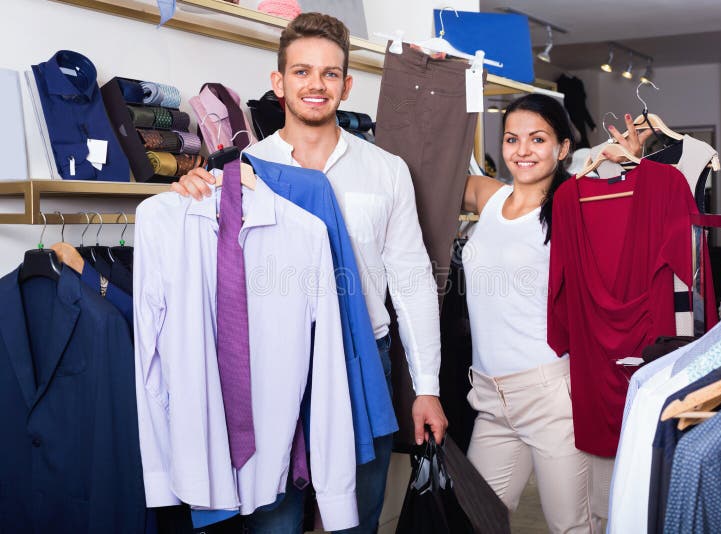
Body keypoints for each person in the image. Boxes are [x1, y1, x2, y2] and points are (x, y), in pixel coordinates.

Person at [170, 12, 447, 534]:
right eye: (301, 72)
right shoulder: (239, 168)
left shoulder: (386, 170)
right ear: (278, 83)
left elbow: (411, 283)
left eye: (328, 73)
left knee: (356, 518)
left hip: (364, 357)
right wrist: (189, 193)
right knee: (273, 518)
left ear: (347, 83)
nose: (315, 85)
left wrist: (426, 387)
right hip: (271, 363)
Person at [460, 96, 650, 531]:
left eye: (538, 139)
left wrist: (627, 168)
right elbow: (432, 168)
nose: (522, 150)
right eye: (512, 139)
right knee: (472, 519)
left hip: (550, 397)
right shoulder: (488, 197)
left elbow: (622, 212)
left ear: (563, 148)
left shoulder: (574, 203)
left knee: (572, 526)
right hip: (490, 398)